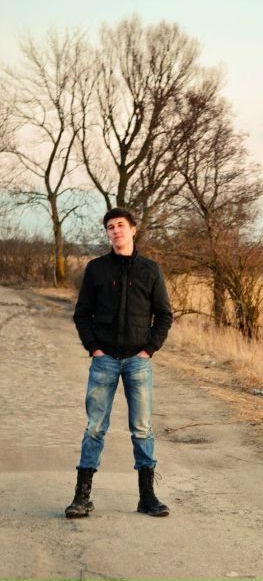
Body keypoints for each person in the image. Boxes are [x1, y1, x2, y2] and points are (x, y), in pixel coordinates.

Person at [65, 207, 173, 518]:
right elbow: (82, 314)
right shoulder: (96, 269)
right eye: (110, 227)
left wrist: (149, 350)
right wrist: (95, 349)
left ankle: (147, 498)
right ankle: (82, 497)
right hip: (105, 361)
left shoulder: (150, 270)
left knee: (142, 428)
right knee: (95, 428)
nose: (115, 231)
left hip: (138, 361)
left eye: (121, 225)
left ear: (133, 229)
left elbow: (164, 315)